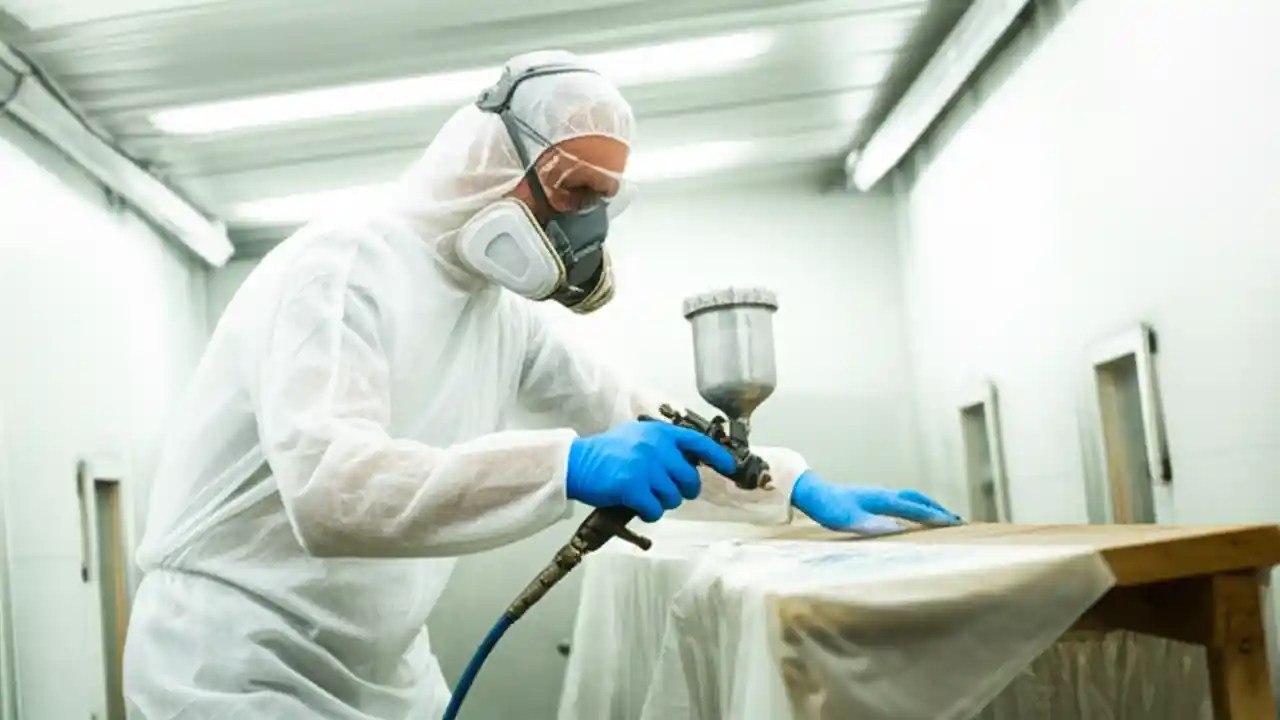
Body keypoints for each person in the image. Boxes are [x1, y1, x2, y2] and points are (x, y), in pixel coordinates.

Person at [123, 50, 960, 719]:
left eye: (602, 203)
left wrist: (791, 483)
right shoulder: (342, 264)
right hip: (236, 663)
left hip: (384, 670)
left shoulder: (500, 315)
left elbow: (636, 421)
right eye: (572, 191)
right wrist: (565, 467)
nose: (581, 225)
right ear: (491, 158)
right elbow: (330, 489)